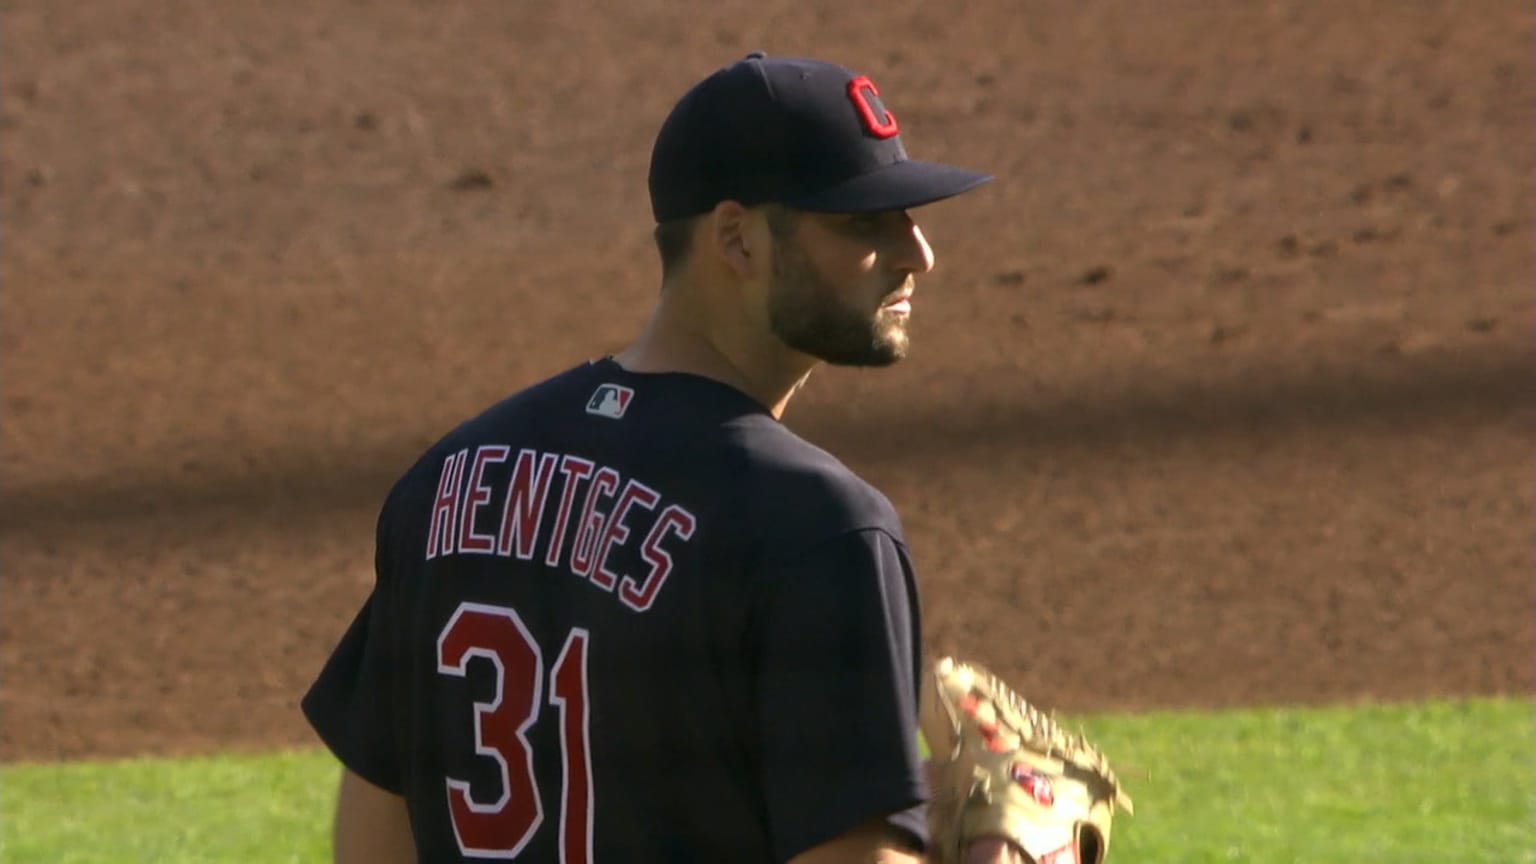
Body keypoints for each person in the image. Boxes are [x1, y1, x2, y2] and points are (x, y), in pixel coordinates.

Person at [302, 51, 1015, 863]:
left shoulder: (450, 481)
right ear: (737, 239)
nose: (917, 254)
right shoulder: (819, 528)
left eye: (910, 216)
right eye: (863, 223)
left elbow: (372, 844)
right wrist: (1009, 852)